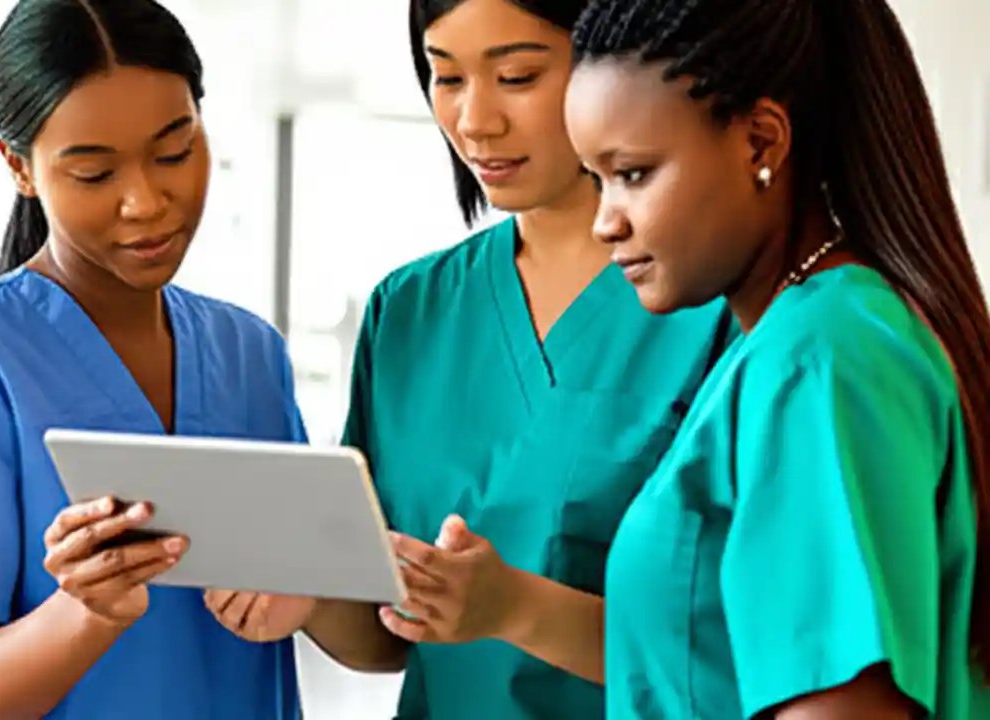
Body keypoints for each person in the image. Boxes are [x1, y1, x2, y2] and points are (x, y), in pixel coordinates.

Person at [204, 0, 734, 717]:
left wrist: (519, 608)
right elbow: (391, 637)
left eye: (516, 75)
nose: (474, 121)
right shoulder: (409, 310)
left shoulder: (716, 308)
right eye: (445, 77)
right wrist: (314, 598)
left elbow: (751, 643)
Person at [0, 1, 304, 718]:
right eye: (93, 173)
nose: (147, 202)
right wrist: (86, 613)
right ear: (18, 166)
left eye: (175, 152)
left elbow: (315, 583)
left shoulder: (249, 353)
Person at [563, 0, 990, 718]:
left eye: (633, 173)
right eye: (594, 180)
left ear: (761, 141)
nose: (606, 221)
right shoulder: (819, 336)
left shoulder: (819, 361)